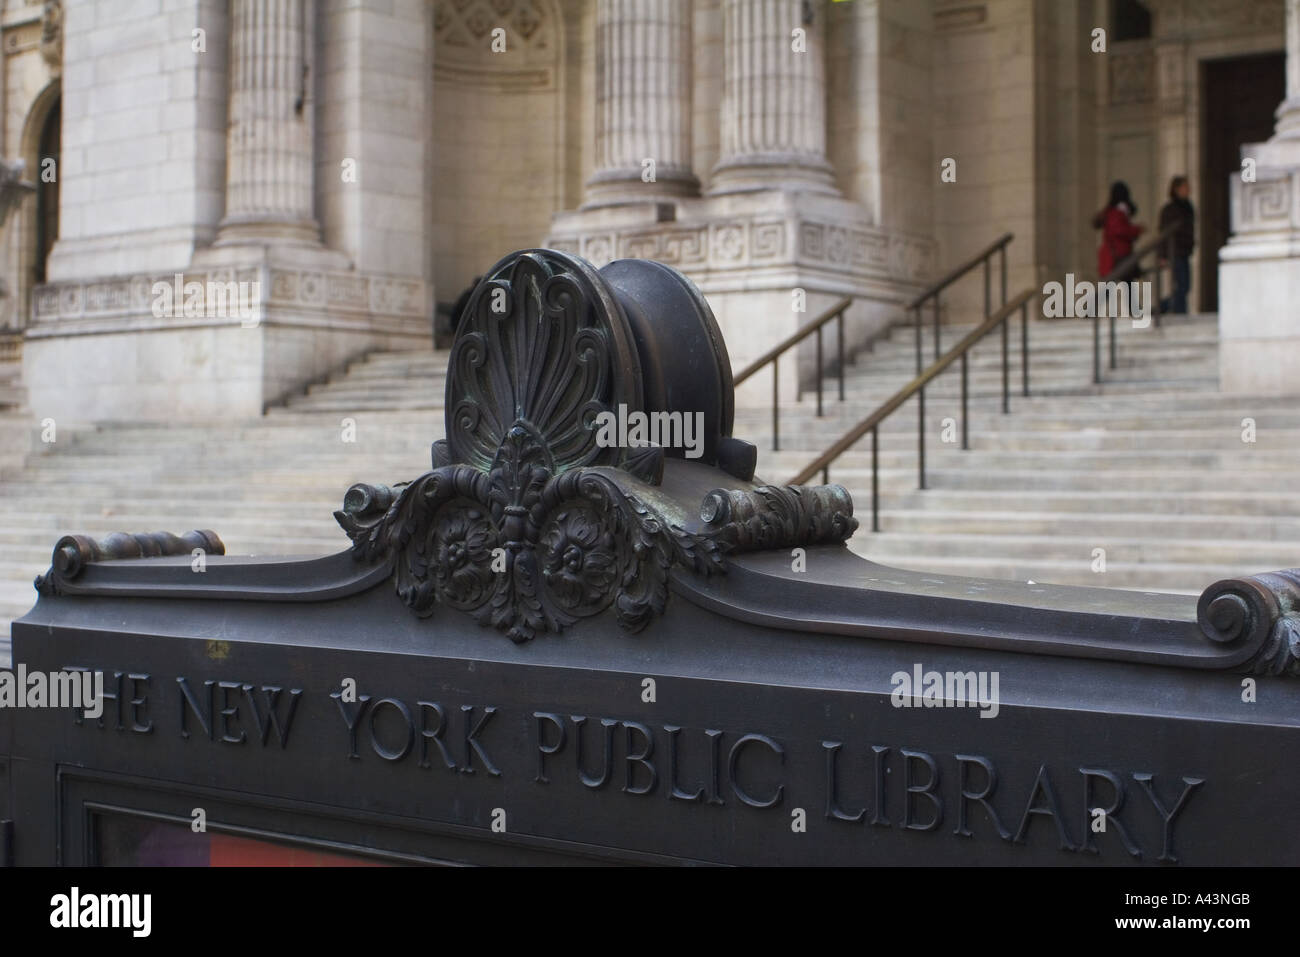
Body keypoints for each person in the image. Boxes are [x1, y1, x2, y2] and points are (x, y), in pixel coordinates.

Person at [1092, 181, 1144, 281]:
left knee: (1121, 285)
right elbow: (1119, 230)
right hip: (1117, 255)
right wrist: (1136, 230)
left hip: (1115, 254)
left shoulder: (1110, 212)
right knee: (1113, 286)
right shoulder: (1117, 212)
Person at [1157, 176, 1194, 314]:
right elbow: (1163, 234)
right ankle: (1163, 309)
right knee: (1181, 286)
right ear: (1177, 189)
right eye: (1185, 186)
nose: (1189, 189)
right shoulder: (1170, 209)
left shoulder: (1188, 207)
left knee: (1185, 286)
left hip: (1184, 251)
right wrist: (1162, 255)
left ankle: (1166, 309)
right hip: (1175, 251)